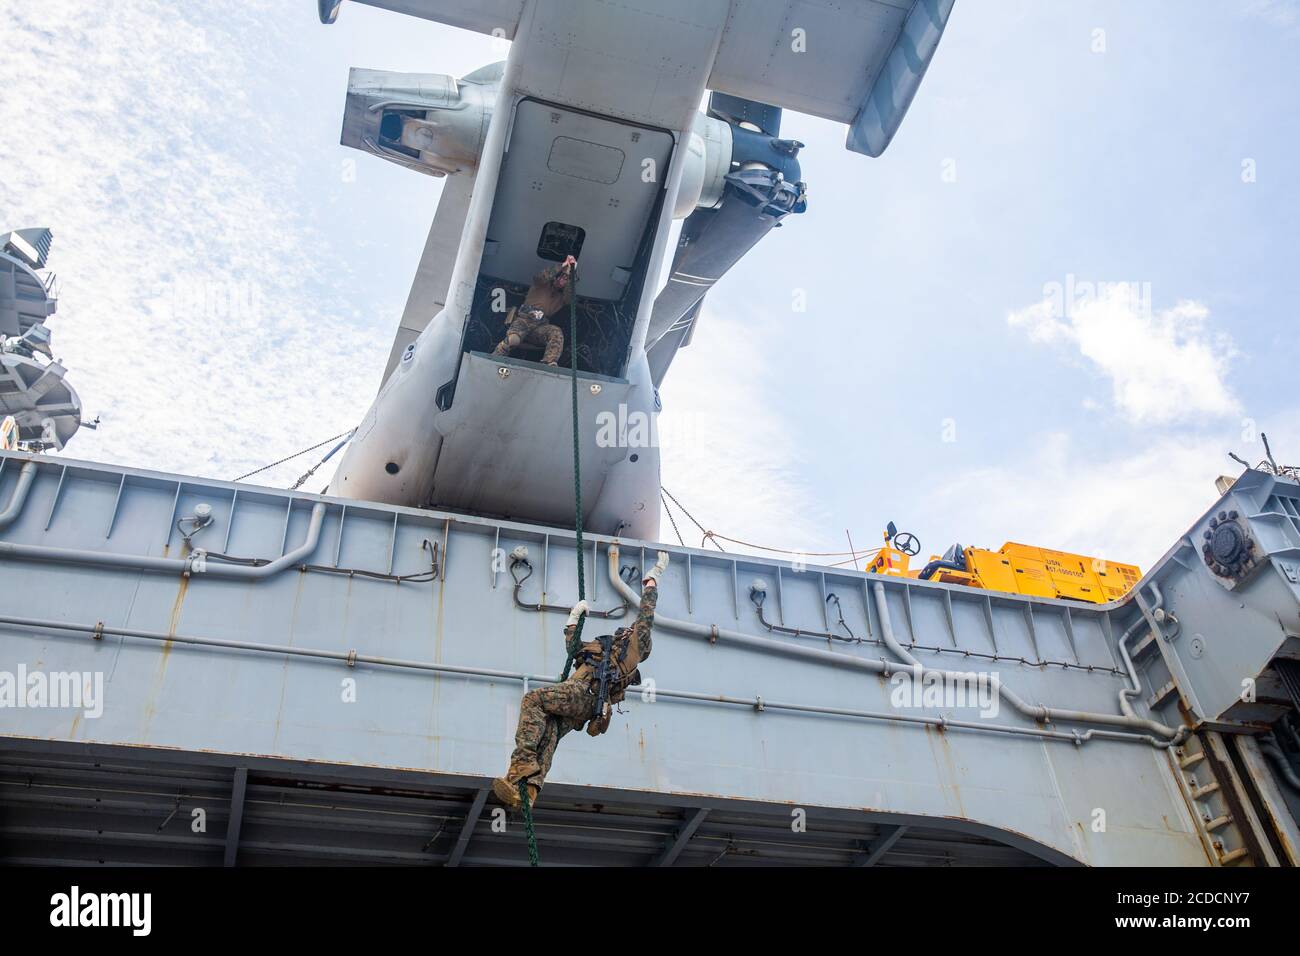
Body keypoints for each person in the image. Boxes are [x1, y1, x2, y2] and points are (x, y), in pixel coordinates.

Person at [492, 551, 669, 809]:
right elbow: (574, 649)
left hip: (583, 693)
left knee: (533, 700)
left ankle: (521, 764)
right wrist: (573, 620)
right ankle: (527, 791)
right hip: (581, 703)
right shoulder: (603, 648)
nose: (629, 629)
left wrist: (653, 579)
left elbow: (646, 616)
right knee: (549, 732)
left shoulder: (634, 648)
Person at [491, 254, 577, 366]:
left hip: (540, 326)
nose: (562, 280)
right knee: (513, 340)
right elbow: (541, 277)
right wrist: (563, 266)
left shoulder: (562, 298)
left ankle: (549, 363)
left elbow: (569, 297)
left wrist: (572, 273)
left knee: (556, 332)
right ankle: (495, 357)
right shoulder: (540, 285)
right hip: (524, 320)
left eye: (566, 279)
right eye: (562, 277)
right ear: (556, 276)